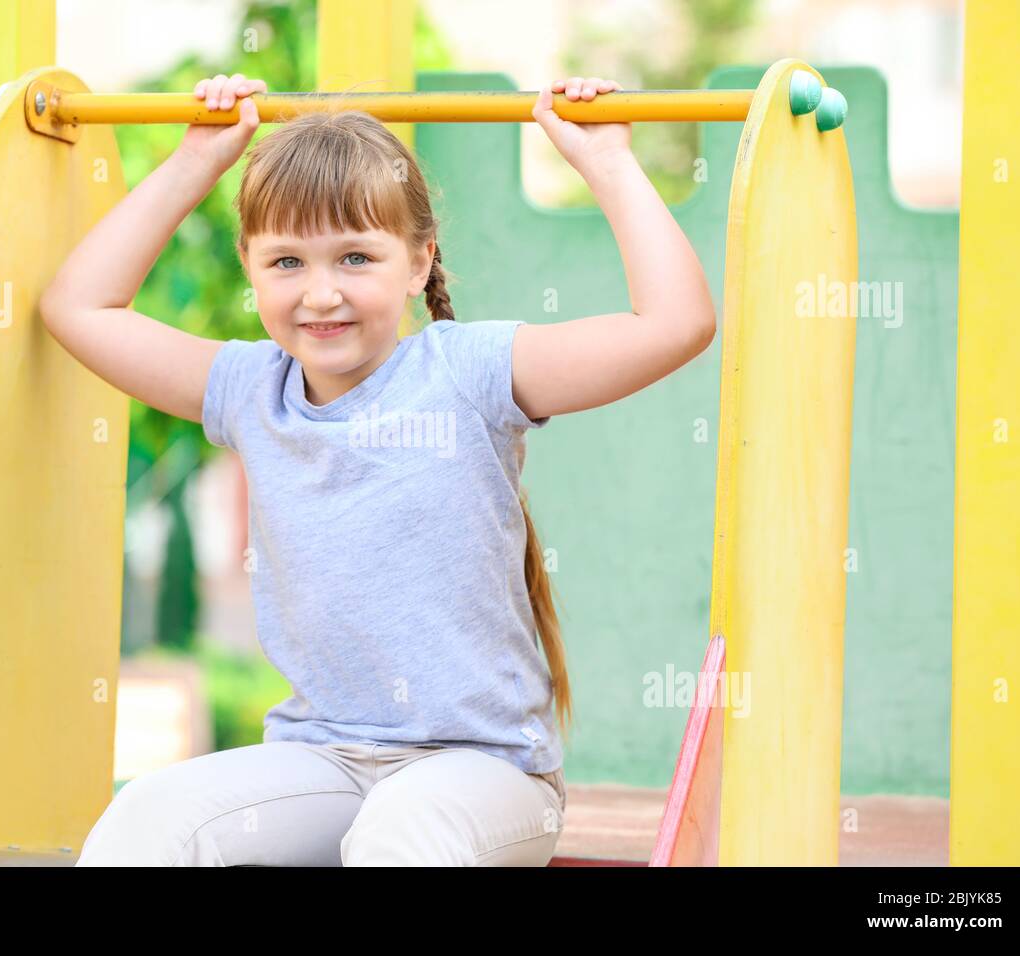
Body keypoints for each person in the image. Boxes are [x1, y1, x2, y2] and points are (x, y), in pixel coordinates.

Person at [41, 72, 716, 866]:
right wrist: (199, 160)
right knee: (147, 817)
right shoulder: (250, 391)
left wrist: (605, 161)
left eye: (355, 257)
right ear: (250, 270)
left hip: (483, 775)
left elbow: (678, 322)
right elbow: (78, 307)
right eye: (285, 261)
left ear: (419, 262)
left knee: (403, 831)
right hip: (323, 763)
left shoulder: (467, 372)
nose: (320, 293)